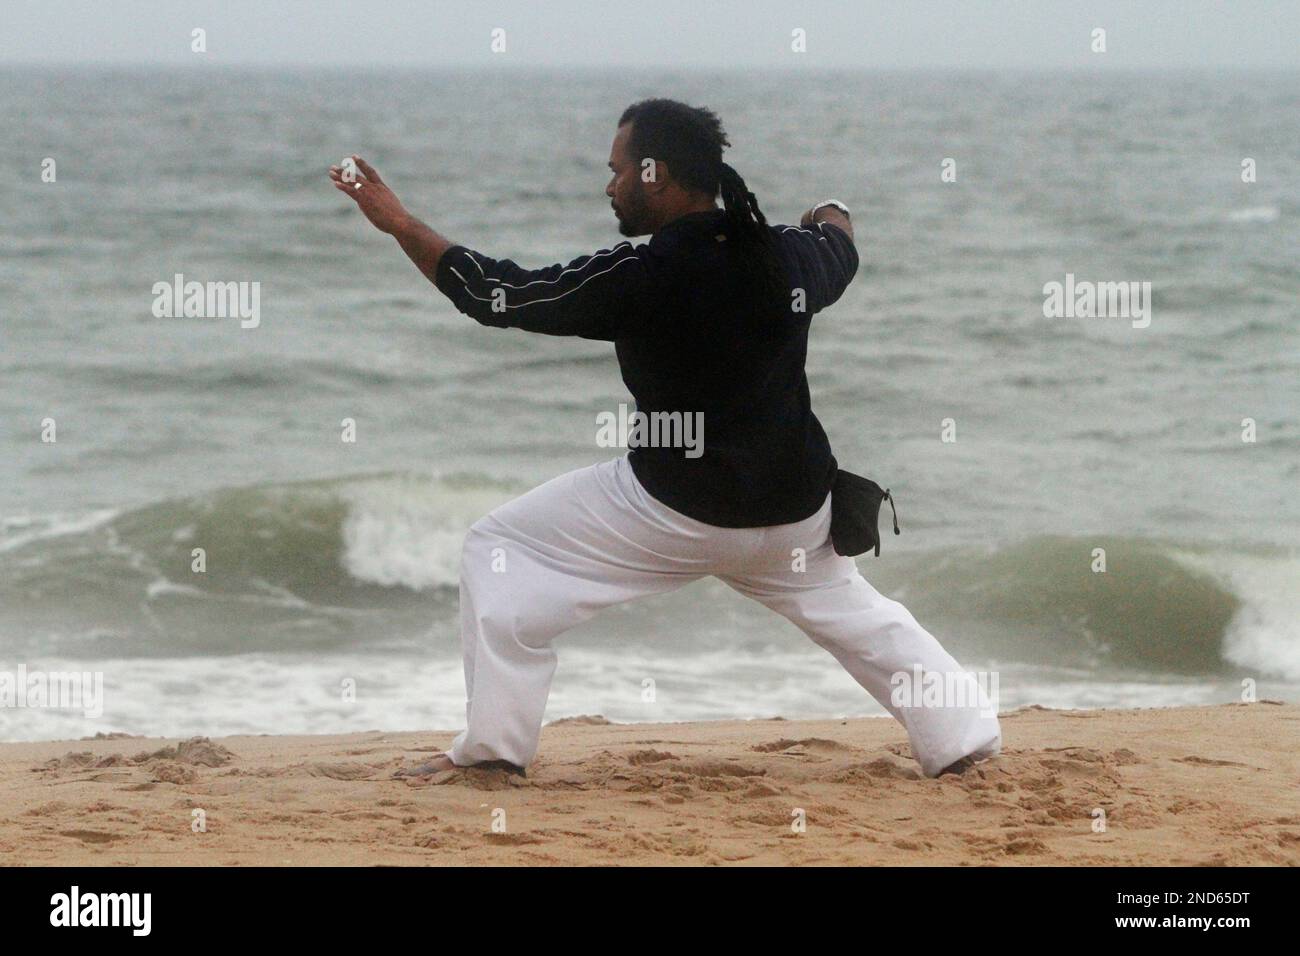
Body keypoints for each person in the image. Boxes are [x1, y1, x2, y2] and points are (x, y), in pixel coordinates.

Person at [328, 98, 1001, 779]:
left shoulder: (639, 275)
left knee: (498, 547)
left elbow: (494, 293)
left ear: (655, 174)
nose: (609, 185)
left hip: (673, 514)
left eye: (616, 170)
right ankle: (965, 741)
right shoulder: (792, 259)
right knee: (862, 618)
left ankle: (494, 753)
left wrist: (400, 224)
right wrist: (826, 208)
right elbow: (841, 244)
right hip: (795, 512)